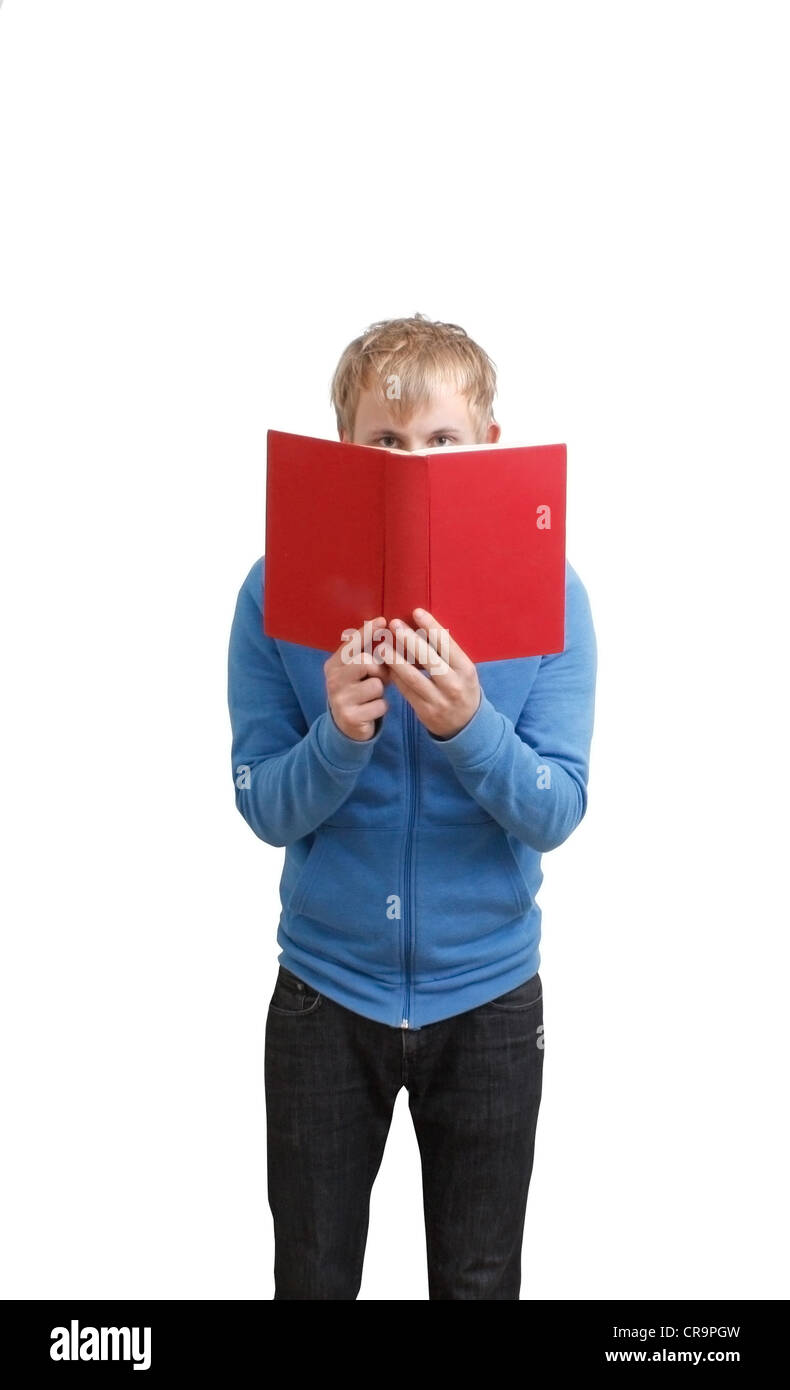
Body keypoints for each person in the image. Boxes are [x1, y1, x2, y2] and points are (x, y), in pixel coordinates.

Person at [227, 313, 598, 1300]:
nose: (413, 460)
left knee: (479, 1283)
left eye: (439, 440)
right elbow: (263, 803)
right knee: (310, 1279)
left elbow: (557, 809)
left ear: (485, 447)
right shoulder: (273, 597)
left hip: (488, 1000)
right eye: (385, 443)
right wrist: (336, 739)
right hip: (322, 993)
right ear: (346, 453)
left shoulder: (554, 600)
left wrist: (469, 724)